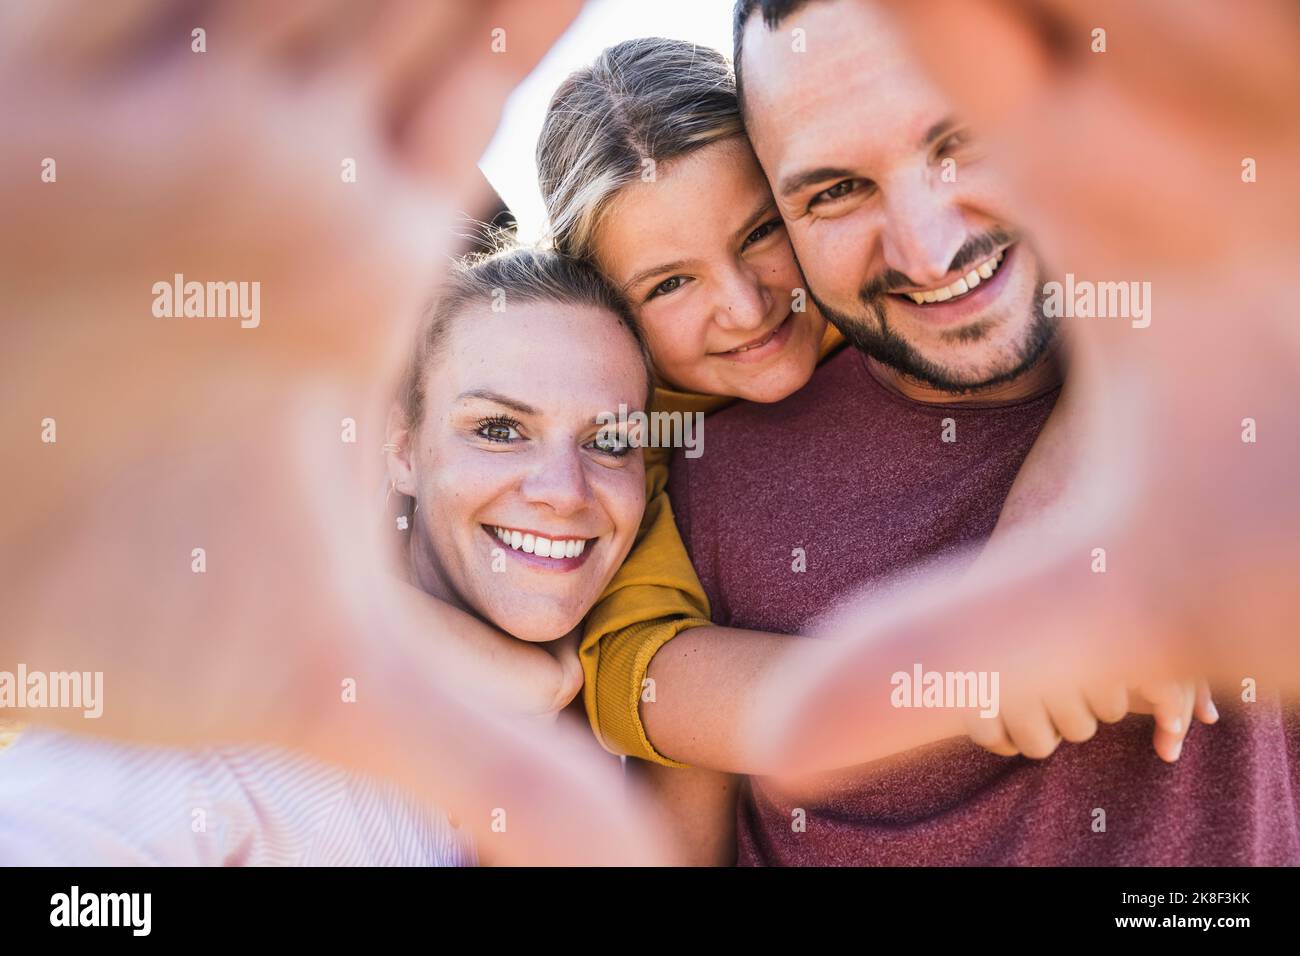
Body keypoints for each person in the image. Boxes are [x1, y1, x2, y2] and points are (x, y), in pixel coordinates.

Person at [638, 0, 1298, 865]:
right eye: (836, 190)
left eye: (966, 137)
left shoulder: (1249, 375)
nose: (926, 250)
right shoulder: (701, 481)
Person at [0, 246, 655, 865]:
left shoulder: (634, 736)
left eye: (610, 441)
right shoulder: (237, 706)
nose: (564, 492)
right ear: (401, 448)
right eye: (499, 430)